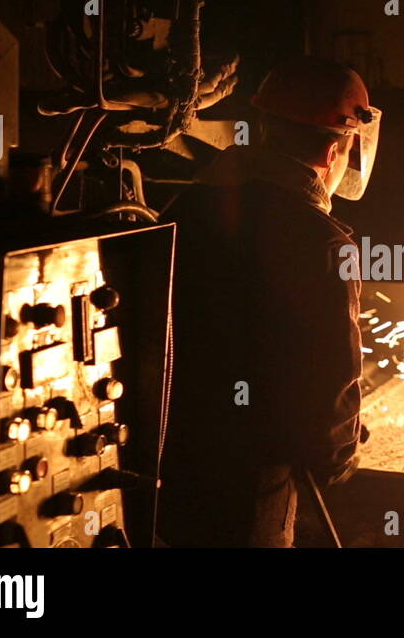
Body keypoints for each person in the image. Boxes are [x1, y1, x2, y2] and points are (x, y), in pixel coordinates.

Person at [157, 56, 381, 547]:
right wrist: (338, 458)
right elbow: (331, 377)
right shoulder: (322, 242)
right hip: (252, 481)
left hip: (169, 463)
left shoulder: (185, 208)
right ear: (334, 150)